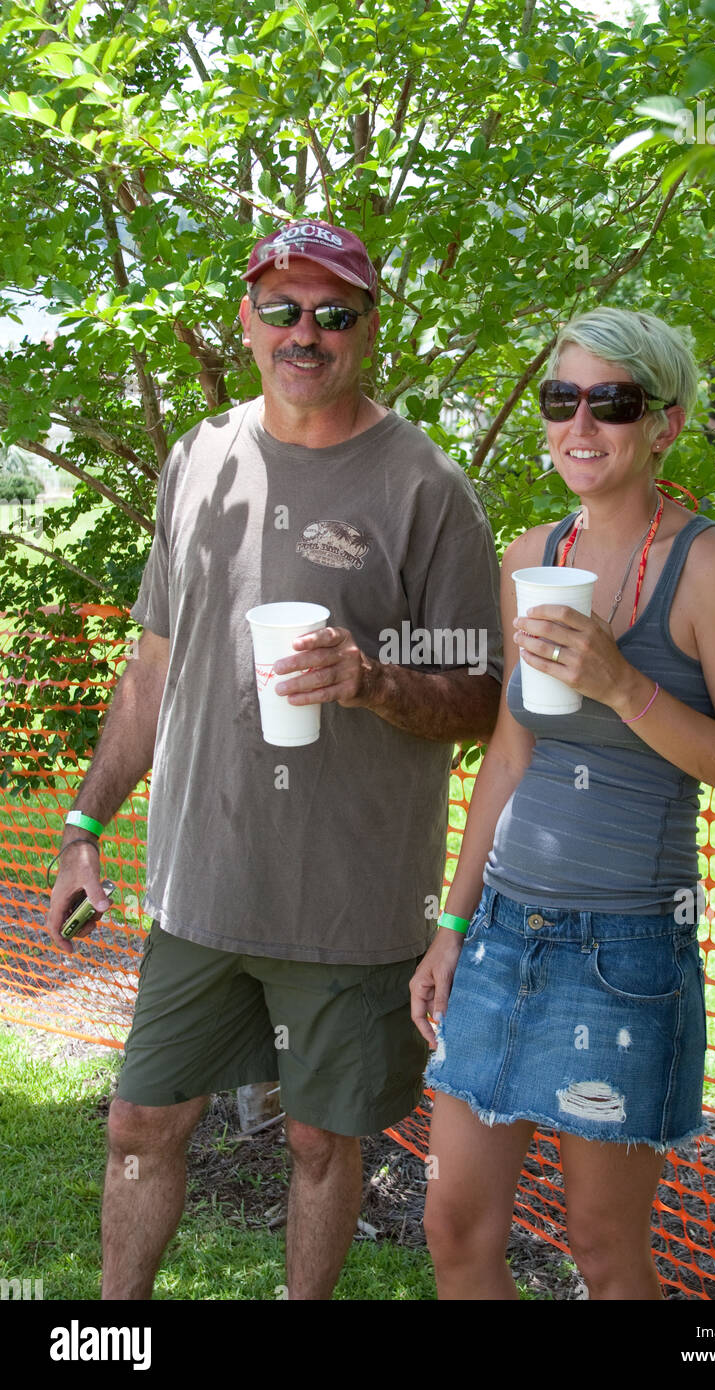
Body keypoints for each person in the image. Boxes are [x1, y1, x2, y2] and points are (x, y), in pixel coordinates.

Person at [44, 218, 503, 1300]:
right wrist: (83, 825)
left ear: (368, 328)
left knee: (316, 1144)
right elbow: (152, 664)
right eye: (283, 308)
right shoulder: (199, 456)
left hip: (347, 901)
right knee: (141, 1120)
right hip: (200, 886)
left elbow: (482, 699)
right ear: (246, 322)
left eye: (334, 312)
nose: (307, 332)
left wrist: (374, 680)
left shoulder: (424, 486)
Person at [410, 307, 715, 1301]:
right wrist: (452, 922)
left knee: (604, 1247)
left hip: (624, 951)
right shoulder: (530, 554)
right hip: (500, 932)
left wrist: (625, 685)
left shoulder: (712, 570)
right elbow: (508, 746)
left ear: (660, 424)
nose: (580, 425)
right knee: (452, 1222)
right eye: (559, 398)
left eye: (610, 403)